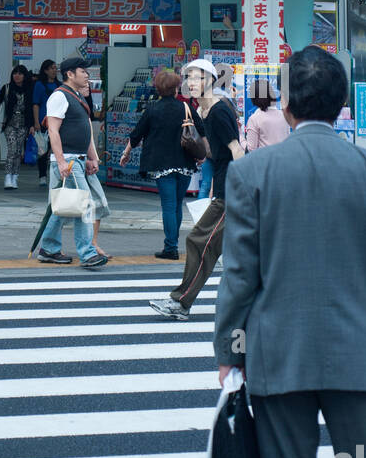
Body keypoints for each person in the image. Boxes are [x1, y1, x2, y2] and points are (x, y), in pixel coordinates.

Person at [214, 46, 366, 458]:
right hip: (361, 355)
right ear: (342, 106)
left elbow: (240, 276)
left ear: (285, 105)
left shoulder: (251, 173)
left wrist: (231, 350)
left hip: (278, 355)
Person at [149, 58, 243, 319]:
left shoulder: (219, 110)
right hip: (224, 188)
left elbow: (236, 149)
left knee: (201, 242)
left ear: (211, 80)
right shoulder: (201, 111)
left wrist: (242, 187)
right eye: (188, 77)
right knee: (220, 247)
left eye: (198, 77)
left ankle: (181, 302)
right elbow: (217, 152)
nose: (192, 82)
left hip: (232, 191)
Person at [119, 68, 204, 260]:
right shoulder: (185, 108)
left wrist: (126, 153)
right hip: (184, 162)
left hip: (162, 164)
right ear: (176, 89)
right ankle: (172, 245)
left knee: (168, 204)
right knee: (177, 205)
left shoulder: (152, 109)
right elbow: (201, 129)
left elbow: (137, 134)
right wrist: (203, 153)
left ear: (158, 89)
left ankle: (171, 247)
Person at [36, 57, 107, 270]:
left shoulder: (77, 96)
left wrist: (92, 157)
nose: (86, 74)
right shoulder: (59, 96)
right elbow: (53, 131)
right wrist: (60, 161)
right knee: (83, 203)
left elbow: (84, 131)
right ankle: (87, 253)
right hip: (68, 160)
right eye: (82, 71)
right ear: (69, 74)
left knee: (64, 207)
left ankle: (48, 248)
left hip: (77, 159)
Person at [0, 64, 35, 188]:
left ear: (25, 76)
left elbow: (31, 108)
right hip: (9, 123)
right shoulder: (7, 88)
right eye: (15, 73)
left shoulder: (29, 89)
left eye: (20, 73)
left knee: (18, 151)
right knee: (12, 149)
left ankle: (15, 176)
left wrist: (31, 125)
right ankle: (8, 176)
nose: (17, 76)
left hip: (23, 124)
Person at [244, 78, 291, 150]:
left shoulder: (255, 119)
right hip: (283, 158)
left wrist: (241, 139)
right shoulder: (284, 115)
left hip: (264, 160)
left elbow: (251, 149)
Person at [32, 59, 57, 186]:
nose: (54, 70)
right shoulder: (39, 85)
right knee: (43, 150)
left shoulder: (59, 84)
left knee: (57, 149)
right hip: (43, 121)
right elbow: (36, 104)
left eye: (55, 68)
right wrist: (36, 121)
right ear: (45, 70)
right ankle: (42, 175)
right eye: (52, 68)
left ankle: (56, 174)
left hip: (58, 122)